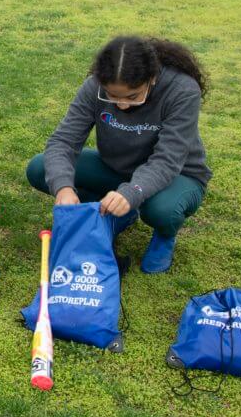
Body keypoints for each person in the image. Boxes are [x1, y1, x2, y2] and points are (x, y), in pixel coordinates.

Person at [25, 37, 212, 274]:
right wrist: (63, 188)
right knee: (41, 169)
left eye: (132, 96)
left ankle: (165, 235)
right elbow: (63, 141)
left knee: (162, 210)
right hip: (116, 169)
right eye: (112, 96)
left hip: (178, 175)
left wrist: (130, 193)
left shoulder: (182, 90)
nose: (122, 105)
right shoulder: (94, 86)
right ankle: (111, 213)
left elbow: (167, 160)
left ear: (152, 78)